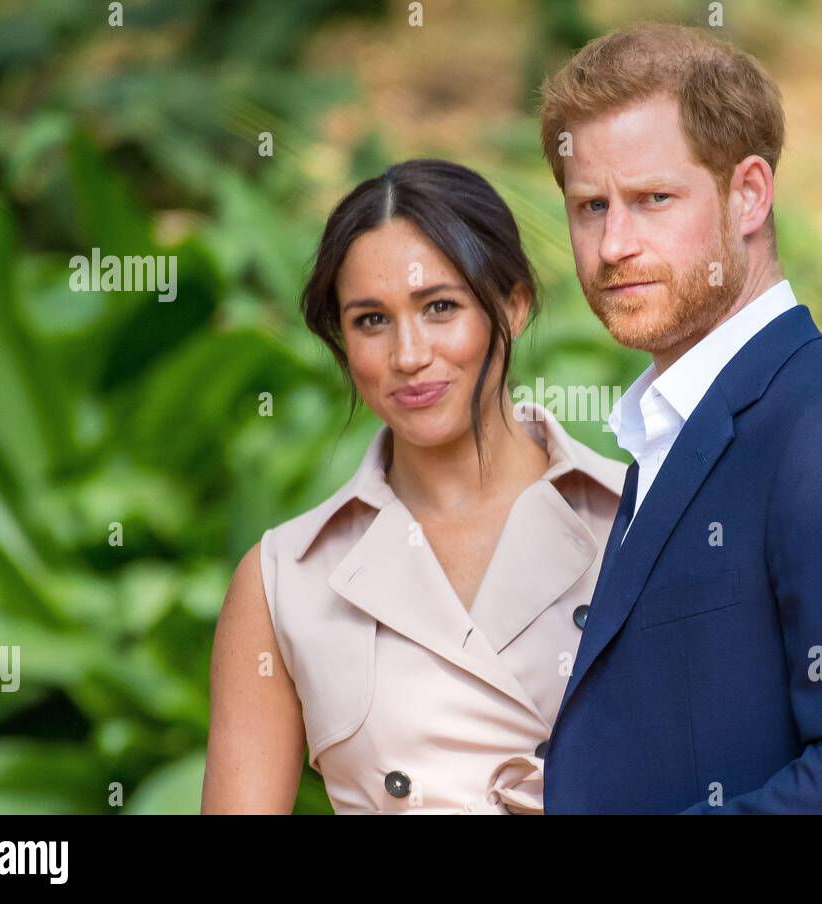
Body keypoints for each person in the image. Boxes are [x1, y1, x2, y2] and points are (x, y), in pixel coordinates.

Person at [536, 23, 822, 814]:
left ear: (750, 194)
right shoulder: (669, 428)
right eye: (590, 206)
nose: (614, 244)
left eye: (653, 199)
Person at [202, 159, 625, 814]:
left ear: (513, 306)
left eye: (440, 308)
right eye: (371, 320)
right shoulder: (284, 579)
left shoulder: (640, 519)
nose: (408, 355)